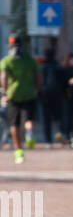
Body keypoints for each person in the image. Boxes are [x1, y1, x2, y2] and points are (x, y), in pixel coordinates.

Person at [0, 35, 40, 163]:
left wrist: (5, 93)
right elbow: (38, 76)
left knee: (14, 124)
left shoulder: (6, 61)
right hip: (29, 93)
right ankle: (29, 134)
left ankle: (18, 152)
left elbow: (3, 77)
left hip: (13, 95)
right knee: (29, 119)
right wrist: (35, 89)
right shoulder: (29, 60)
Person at [39, 43, 66, 146]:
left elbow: (38, 81)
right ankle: (60, 132)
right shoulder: (58, 67)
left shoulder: (42, 67)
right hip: (57, 95)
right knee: (58, 117)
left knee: (46, 119)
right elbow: (64, 81)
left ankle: (48, 141)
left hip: (45, 96)